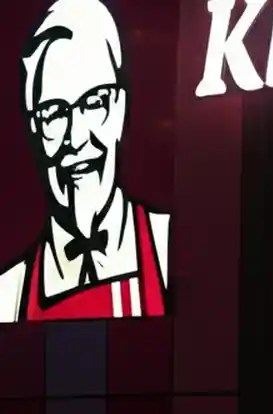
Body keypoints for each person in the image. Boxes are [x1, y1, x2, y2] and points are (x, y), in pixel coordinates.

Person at [0, 0, 171, 323]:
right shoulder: (8, 296)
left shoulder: (169, 248)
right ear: (36, 129)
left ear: (119, 108)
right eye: (54, 113)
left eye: (94, 103)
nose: (76, 138)